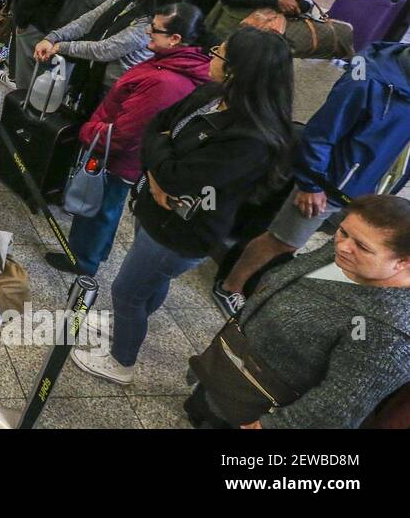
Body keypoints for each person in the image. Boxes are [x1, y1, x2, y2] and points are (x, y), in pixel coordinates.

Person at [71, 26, 295, 384]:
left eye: (220, 53)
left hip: (182, 231)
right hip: (156, 209)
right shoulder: (211, 93)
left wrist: (162, 164)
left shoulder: (251, 139)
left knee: (125, 291)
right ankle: (128, 322)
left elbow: (178, 174)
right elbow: (156, 127)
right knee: (149, 282)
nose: (212, 56)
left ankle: (121, 359)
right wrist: (161, 172)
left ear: (238, 70)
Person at [216, 39, 410, 316]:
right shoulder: (367, 78)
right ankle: (230, 286)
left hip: (368, 190)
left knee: (341, 246)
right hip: (329, 184)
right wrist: (311, 184)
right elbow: (320, 134)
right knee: (282, 239)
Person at [185, 194, 410, 430]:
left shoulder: (388, 332)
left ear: (402, 262)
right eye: (343, 232)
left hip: (252, 413)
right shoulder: (349, 256)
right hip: (228, 372)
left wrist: (271, 426)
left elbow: (337, 407)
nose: (342, 246)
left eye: (362, 247)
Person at [46, 3, 211, 275]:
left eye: (155, 30)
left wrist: (87, 132)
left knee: (98, 208)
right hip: (126, 155)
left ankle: (83, 260)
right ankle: (96, 252)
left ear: (175, 39)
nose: (148, 32)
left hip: (118, 158)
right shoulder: (175, 64)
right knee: (106, 207)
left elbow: (124, 133)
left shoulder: (166, 82)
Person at [34, 0, 190, 113]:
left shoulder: (154, 21)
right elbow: (88, 20)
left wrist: (60, 47)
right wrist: (53, 37)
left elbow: (106, 49)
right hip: (89, 78)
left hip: (111, 93)